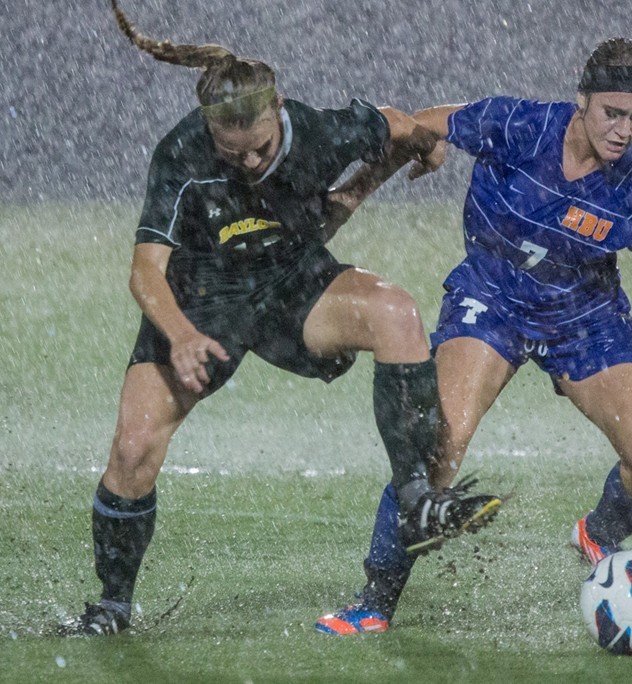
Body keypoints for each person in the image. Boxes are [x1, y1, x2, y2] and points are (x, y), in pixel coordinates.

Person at [60, 0, 501, 637]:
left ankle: (415, 498)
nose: (247, 163)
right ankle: (112, 609)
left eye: (259, 148)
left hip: (294, 283)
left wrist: (419, 150)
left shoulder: (319, 131)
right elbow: (144, 271)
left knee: (396, 312)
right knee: (132, 451)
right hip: (202, 303)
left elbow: (398, 125)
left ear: (280, 109)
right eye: (231, 153)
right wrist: (181, 336)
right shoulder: (183, 154)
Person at [315, 37, 632, 636]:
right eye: (613, 113)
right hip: (492, 298)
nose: (624, 130)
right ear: (581, 99)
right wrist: (377, 178)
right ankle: (374, 599)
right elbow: (419, 125)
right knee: (437, 450)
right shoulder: (519, 125)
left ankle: (598, 534)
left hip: (585, 317)